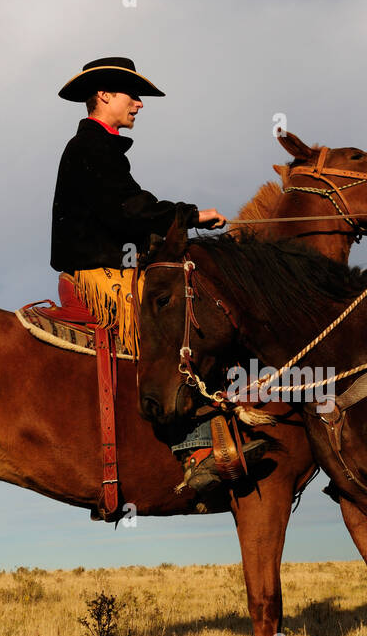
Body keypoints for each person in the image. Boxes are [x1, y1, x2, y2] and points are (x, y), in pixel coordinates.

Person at [51, 57, 259, 494]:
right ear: (104, 95)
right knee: (184, 319)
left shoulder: (100, 146)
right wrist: (190, 216)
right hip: (100, 272)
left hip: (107, 264)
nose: (140, 104)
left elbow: (130, 211)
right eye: (132, 95)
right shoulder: (91, 146)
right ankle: (198, 445)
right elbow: (130, 210)